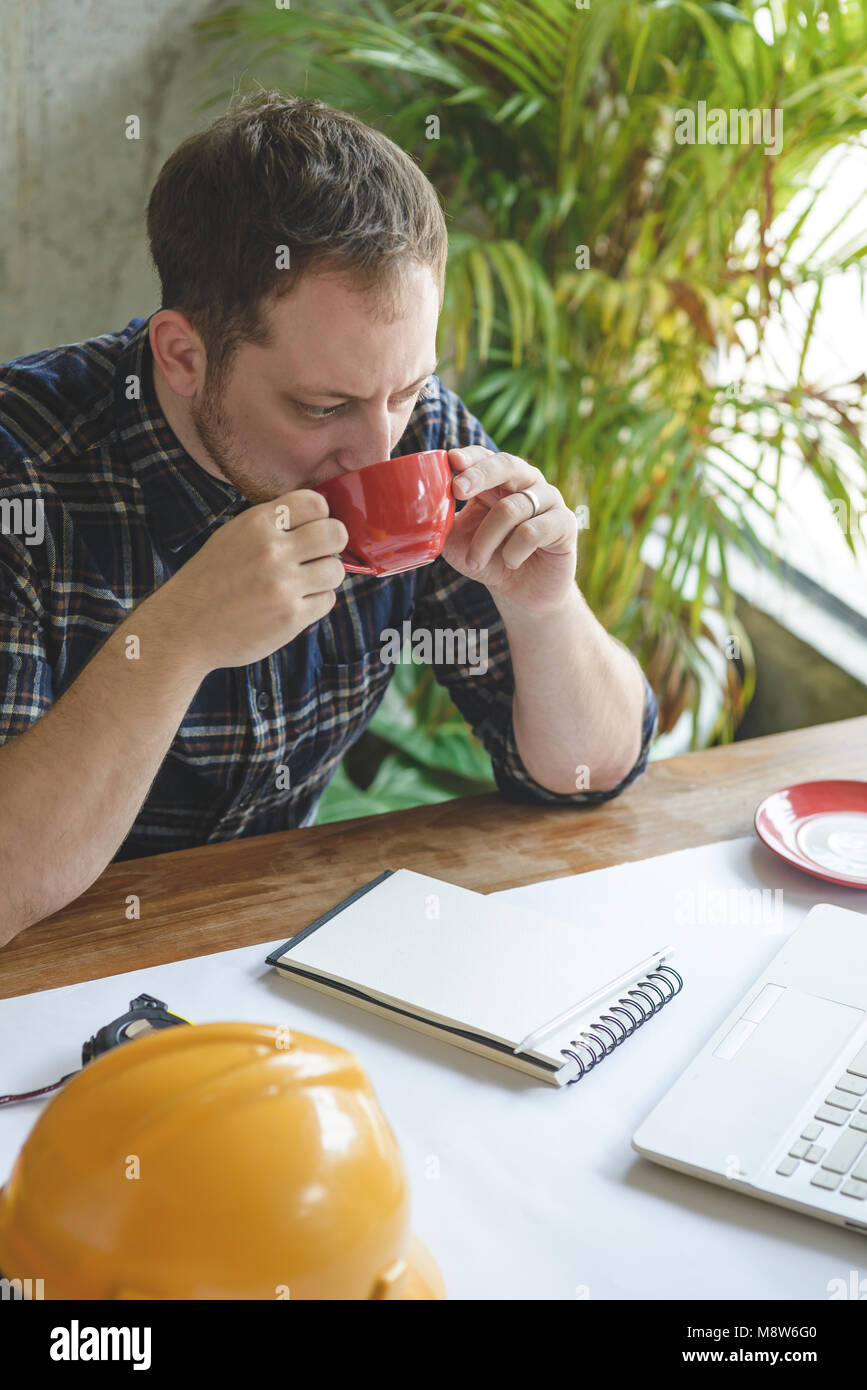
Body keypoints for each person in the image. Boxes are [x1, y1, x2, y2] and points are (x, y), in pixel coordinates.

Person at [0, 92, 657, 947]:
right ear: (183, 355)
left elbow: (584, 774)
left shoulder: (413, 430)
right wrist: (173, 643)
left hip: (276, 955)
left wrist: (544, 611)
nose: (376, 448)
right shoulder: (25, 473)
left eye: (408, 387)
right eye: (321, 407)